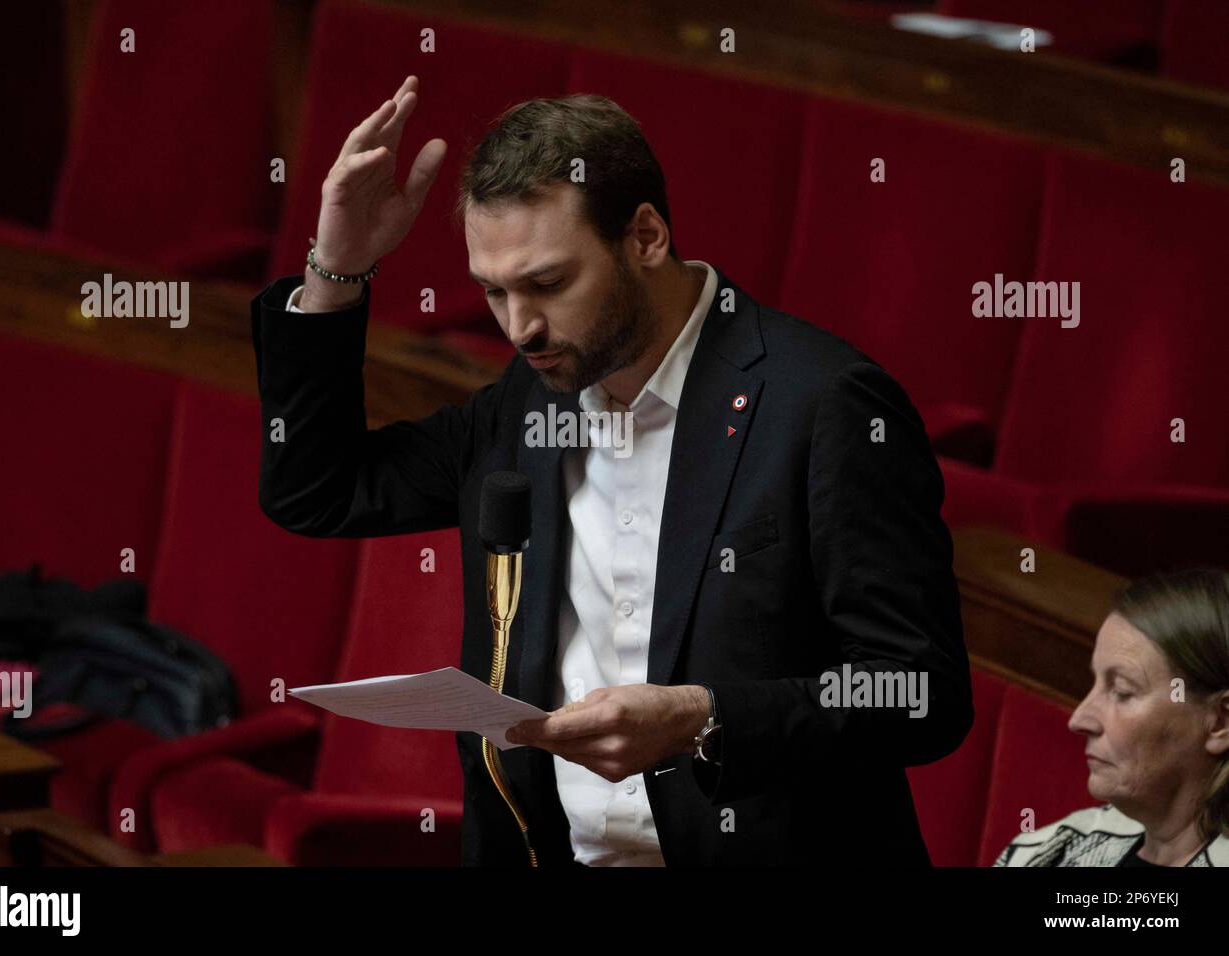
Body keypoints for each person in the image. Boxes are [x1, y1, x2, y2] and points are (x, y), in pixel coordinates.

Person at [252, 74, 973, 866]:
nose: (521, 327)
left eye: (549, 283)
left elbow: (919, 693)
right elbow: (319, 492)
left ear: (645, 237)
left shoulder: (822, 404)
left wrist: (706, 716)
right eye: (493, 292)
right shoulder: (528, 398)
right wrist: (336, 271)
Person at [996, 568, 1229, 866]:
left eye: (1121, 690)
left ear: (1220, 723)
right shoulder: (1049, 852)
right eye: (1094, 683)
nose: (1079, 719)